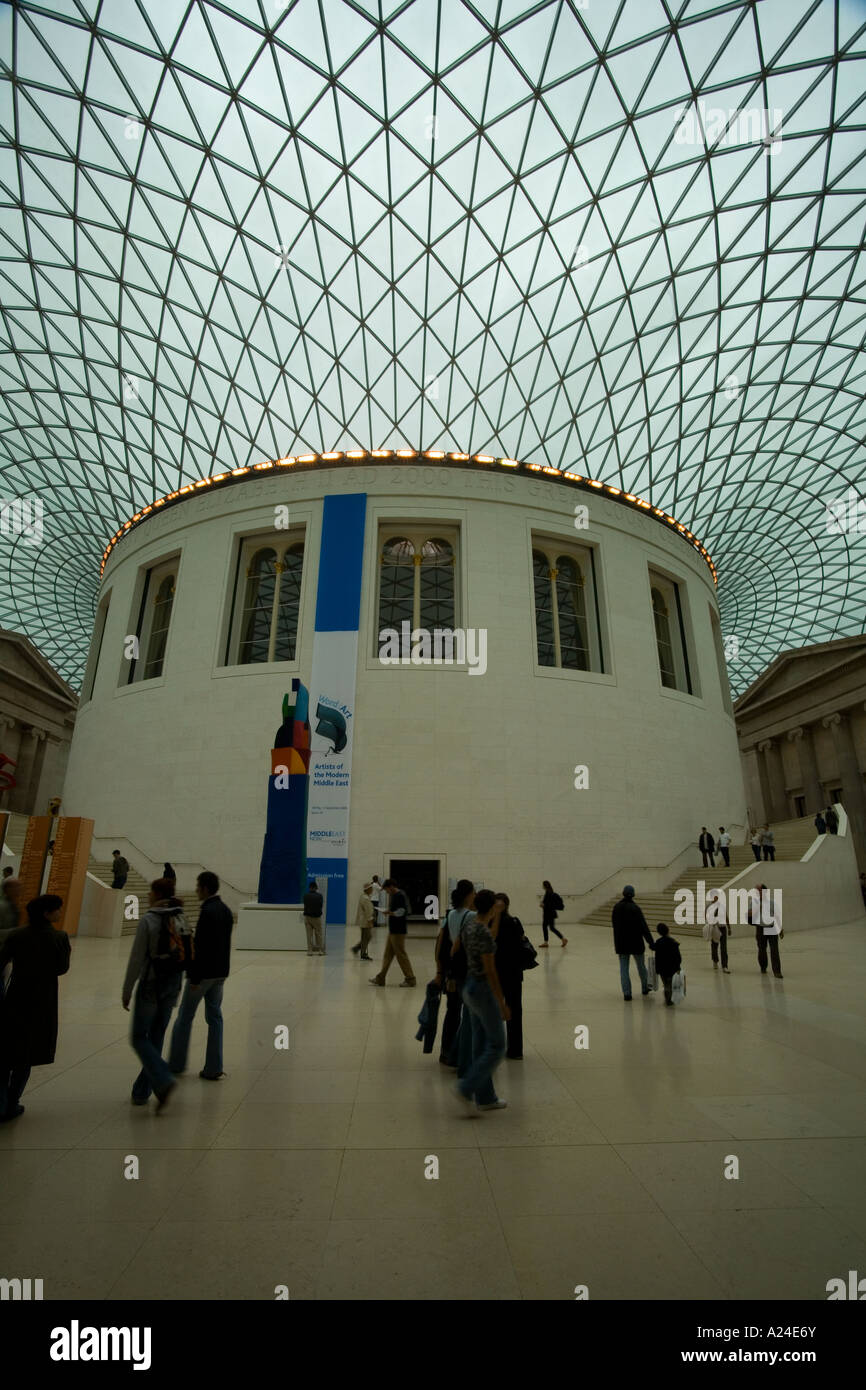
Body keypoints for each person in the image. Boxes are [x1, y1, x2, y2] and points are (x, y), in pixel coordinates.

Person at [0, 894, 71, 1121]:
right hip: (43, 999)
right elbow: (62, 968)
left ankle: (2, 1102)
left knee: (8, 1050)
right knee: (26, 1055)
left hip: (17, 995)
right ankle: (12, 1101)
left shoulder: (17, 935)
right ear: (47, 913)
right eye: (57, 909)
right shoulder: (59, 937)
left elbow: (2, 961)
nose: (59, 913)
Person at [121, 877, 188, 1109]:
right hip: (173, 983)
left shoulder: (149, 919)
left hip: (151, 983)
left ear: (157, 893)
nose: (148, 895)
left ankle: (163, 1078)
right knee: (157, 1035)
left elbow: (137, 958)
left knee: (139, 1037)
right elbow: (186, 952)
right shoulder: (180, 916)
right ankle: (143, 1091)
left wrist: (127, 989)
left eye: (150, 891)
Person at [168, 871, 233, 1081]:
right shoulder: (225, 910)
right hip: (220, 974)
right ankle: (214, 1067)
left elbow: (201, 947)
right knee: (215, 1018)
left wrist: (194, 978)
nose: (196, 890)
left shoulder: (208, 911)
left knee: (185, 1017)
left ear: (205, 888)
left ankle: (176, 1064)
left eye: (198, 886)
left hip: (203, 975)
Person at [453, 889, 509, 1112]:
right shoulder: (483, 933)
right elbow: (490, 970)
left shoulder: (469, 926)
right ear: (492, 908)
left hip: (468, 987)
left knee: (480, 1041)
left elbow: (457, 949)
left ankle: (485, 1097)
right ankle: (466, 1088)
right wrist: (501, 1002)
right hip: (482, 990)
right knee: (497, 1045)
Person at [435, 880, 474, 1068]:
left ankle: (446, 1052)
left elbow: (441, 944)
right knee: (468, 1014)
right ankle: (462, 1053)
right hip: (467, 970)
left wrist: (439, 971)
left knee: (452, 1012)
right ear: (469, 895)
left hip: (452, 971)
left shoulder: (449, 915)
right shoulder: (472, 915)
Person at [491, 892, 527, 1060]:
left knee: (494, 1009)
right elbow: (522, 940)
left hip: (497, 972)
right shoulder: (515, 921)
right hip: (513, 971)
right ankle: (515, 1050)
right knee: (514, 1010)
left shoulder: (492, 923)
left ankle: (494, 1047)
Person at [369, 879, 415, 986]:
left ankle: (410, 979)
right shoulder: (395, 895)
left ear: (391, 887)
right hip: (393, 930)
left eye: (387, 890)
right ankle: (381, 978)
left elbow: (402, 911)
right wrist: (390, 912)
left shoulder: (400, 895)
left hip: (398, 931)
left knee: (401, 955)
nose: (387, 892)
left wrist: (390, 913)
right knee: (387, 955)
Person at [611, 885, 654, 1000]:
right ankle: (645, 987)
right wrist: (651, 942)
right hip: (636, 943)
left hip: (621, 943)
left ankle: (627, 993)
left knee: (624, 969)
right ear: (633, 895)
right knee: (641, 966)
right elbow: (643, 927)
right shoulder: (635, 908)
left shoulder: (616, 907)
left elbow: (614, 925)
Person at [748, 883, 783, 978]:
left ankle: (777, 971)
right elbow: (749, 914)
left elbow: (777, 916)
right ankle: (763, 967)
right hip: (760, 928)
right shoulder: (753, 902)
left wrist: (780, 928)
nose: (757, 892)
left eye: (758, 890)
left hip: (771, 927)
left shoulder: (772, 902)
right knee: (762, 949)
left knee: (774, 950)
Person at [652, 922, 682, 1006]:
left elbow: (653, 947)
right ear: (668, 930)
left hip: (661, 968)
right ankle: (669, 998)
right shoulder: (673, 942)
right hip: (672, 967)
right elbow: (678, 957)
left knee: (665, 983)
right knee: (670, 982)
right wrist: (678, 966)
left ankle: (667, 995)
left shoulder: (658, 942)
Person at [707, 890, 730, 974]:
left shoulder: (722, 906)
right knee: (714, 945)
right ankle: (715, 960)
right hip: (714, 928)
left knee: (724, 947)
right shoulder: (709, 906)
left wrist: (729, 927)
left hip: (723, 928)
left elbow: (726, 916)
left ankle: (725, 966)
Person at [351, 882, 375, 959]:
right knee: (367, 937)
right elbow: (368, 911)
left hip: (364, 920)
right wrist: (370, 921)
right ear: (367, 889)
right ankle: (363, 953)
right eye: (371, 888)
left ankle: (357, 949)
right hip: (365, 921)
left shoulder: (364, 897)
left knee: (366, 937)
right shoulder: (366, 898)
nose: (372, 890)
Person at [540, 880, 567, 947]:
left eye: (543, 885)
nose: (542, 886)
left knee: (546, 927)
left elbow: (549, 904)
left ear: (545, 886)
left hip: (548, 914)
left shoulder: (548, 893)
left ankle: (546, 942)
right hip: (551, 913)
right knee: (551, 928)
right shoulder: (549, 892)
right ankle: (563, 939)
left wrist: (543, 905)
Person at [303, 879, 324, 955]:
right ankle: (320, 951)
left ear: (309, 888)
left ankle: (310, 951)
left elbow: (305, 905)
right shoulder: (319, 896)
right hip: (316, 917)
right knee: (318, 934)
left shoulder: (305, 896)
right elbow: (321, 906)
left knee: (309, 935)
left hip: (307, 917)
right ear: (316, 888)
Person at [0, 876, 21, 942]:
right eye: (16, 886)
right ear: (7, 889)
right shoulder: (1, 907)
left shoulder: (15, 906)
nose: (19, 888)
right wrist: (17, 932)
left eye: (19, 886)